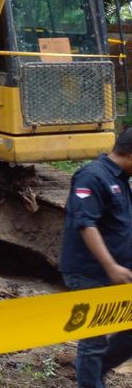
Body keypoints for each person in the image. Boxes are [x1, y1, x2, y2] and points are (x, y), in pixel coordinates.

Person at [59, 129, 132, 388]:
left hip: (119, 271)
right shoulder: (91, 176)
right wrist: (111, 266)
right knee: (94, 338)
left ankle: (95, 371)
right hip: (89, 272)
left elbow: (119, 226)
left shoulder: (121, 179)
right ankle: (90, 381)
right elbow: (85, 224)